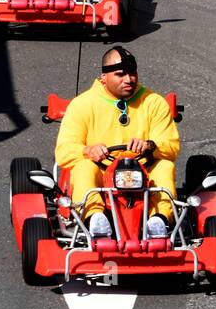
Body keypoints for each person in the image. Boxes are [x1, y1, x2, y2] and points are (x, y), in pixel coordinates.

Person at [55, 46, 180, 239]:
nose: (129, 80)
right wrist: (88, 150)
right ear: (103, 77)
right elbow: (64, 151)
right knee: (83, 168)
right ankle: (95, 218)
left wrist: (150, 146)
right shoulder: (82, 104)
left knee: (164, 166)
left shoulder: (153, 102)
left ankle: (160, 220)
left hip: (143, 174)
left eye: (132, 73)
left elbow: (171, 146)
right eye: (120, 74)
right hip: (101, 174)